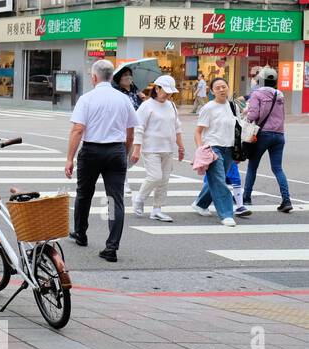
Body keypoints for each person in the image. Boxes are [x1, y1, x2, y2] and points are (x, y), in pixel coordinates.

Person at [65, 58, 137, 262]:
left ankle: (80, 233)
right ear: (112, 77)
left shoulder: (87, 99)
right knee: (115, 199)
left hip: (91, 151)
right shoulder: (124, 99)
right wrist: (124, 153)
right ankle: (111, 247)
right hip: (116, 151)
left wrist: (69, 159)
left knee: (84, 193)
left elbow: (78, 130)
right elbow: (130, 133)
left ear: (94, 77)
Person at [131, 75, 185, 223]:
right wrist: (136, 149)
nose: (168, 94)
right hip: (151, 148)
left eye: (170, 92)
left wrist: (181, 146)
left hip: (168, 148)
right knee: (155, 177)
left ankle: (157, 209)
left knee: (164, 180)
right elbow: (139, 128)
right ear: (156, 88)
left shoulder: (171, 106)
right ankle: (140, 198)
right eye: (165, 91)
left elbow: (177, 127)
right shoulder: (147, 106)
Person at [241, 66, 293, 214]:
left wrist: (247, 114)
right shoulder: (280, 94)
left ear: (261, 80)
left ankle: (246, 197)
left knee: (253, 166)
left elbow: (253, 115)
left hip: (262, 134)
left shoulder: (257, 94)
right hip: (279, 134)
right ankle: (286, 200)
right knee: (277, 168)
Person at [191, 76, 239, 227]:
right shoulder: (208, 108)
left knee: (216, 179)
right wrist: (201, 148)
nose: (221, 89)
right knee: (219, 181)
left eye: (223, 86)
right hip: (213, 148)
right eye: (217, 88)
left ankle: (200, 203)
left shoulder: (233, 106)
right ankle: (226, 214)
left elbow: (238, 128)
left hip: (229, 148)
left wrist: (239, 150)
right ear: (212, 91)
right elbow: (198, 132)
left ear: (228, 87)